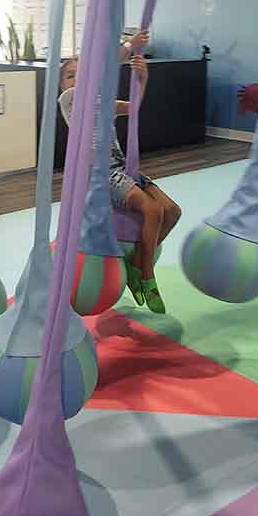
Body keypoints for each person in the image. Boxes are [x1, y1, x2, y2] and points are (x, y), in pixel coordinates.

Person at [58, 30, 181, 314]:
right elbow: (96, 76)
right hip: (100, 174)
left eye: (80, 73)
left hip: (121, 169)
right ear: (62, 85)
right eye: (70, 75)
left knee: (171, 211)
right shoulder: (70, 101)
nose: (77, 79)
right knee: (152, 211)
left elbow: (133, 108)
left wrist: (142, 79)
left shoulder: (101, 102)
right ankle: (146, 274)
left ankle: (138, 260)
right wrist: (129, 47)